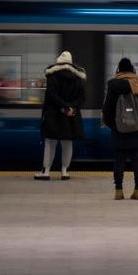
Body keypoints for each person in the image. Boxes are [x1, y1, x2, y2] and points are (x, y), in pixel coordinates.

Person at [101, 58, 138, 201]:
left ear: (118, 71)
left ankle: (119, 191)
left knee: (119, 161)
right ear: (133, 71)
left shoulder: (112, 87)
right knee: (137, 160)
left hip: (119, 131)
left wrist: (115, 126)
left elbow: (107, 110)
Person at [34, 51, 86, 181]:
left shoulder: (52, 75)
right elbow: (82, 97)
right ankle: (64, 171)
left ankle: (46, 172)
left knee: (50, 143)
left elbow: (51, 95)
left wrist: (63, 106)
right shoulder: (78, 77)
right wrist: (71, 107)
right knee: (67, 142)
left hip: (54, 114)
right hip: (70, 115)